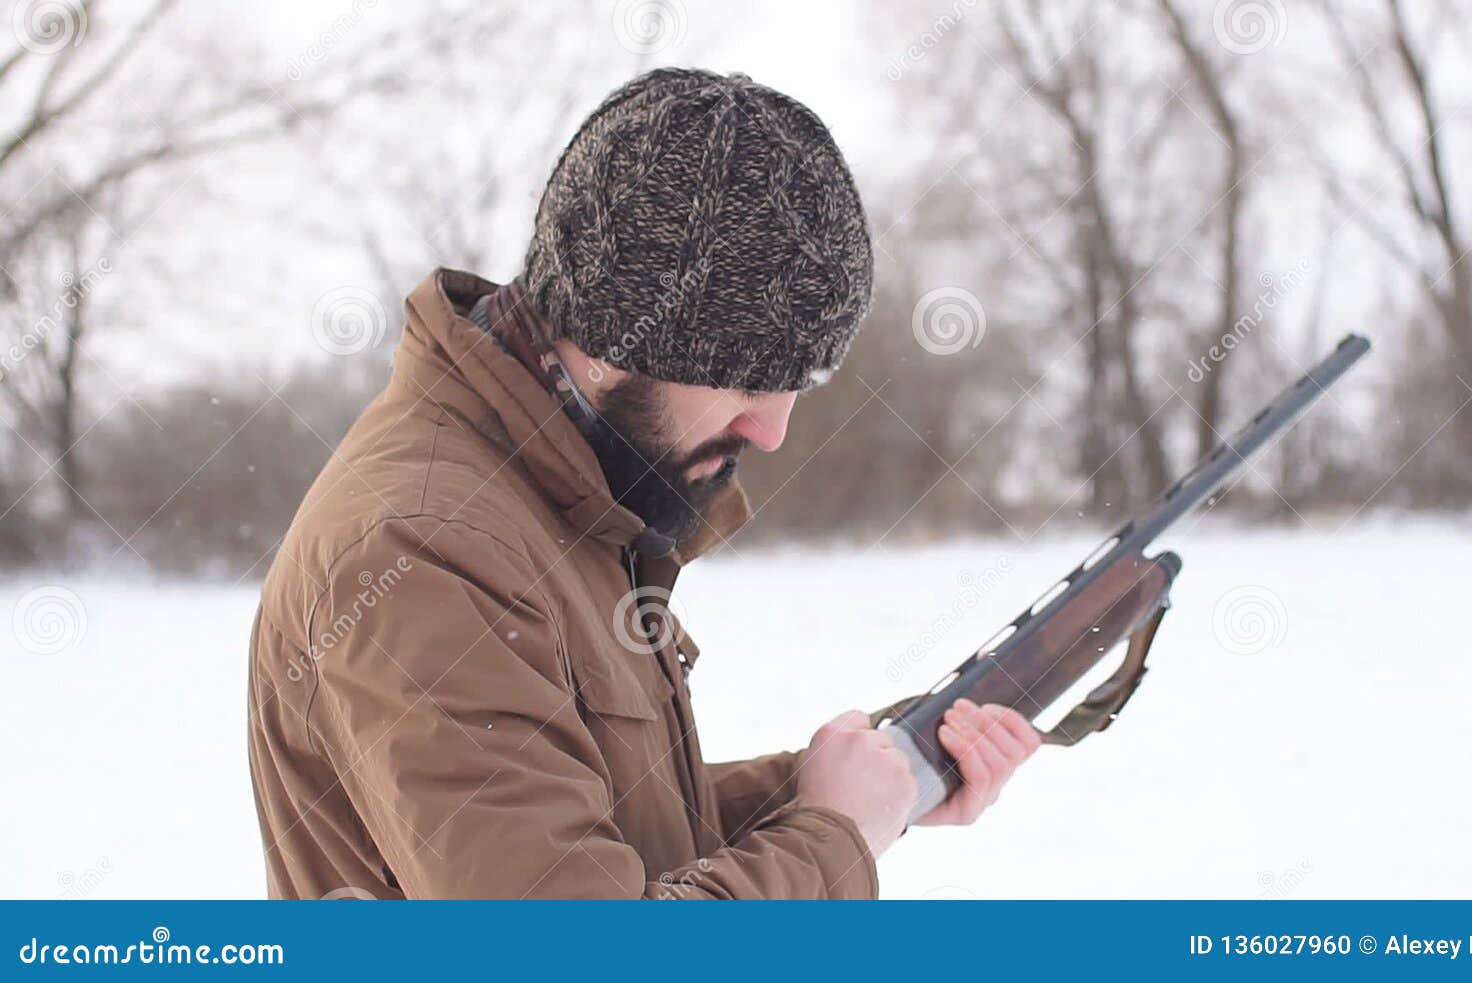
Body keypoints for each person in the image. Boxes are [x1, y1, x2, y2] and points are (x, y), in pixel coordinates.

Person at [247, 67, 1040, 900]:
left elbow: (604, 837)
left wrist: (853, 789)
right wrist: (832, 837)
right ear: (619, 337)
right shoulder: (423, 548)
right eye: (747, 380)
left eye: (800, 383)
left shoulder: (561, 493)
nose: (773, 430)